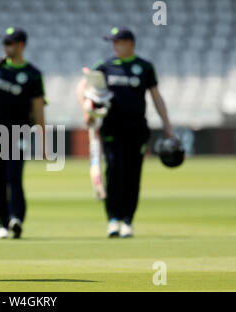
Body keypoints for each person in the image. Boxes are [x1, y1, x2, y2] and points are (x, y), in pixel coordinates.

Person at [76, 27, 175, 238]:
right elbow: (82, 87)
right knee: (113, 171)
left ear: (129, 43)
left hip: (137, 129)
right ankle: (113, 219)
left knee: (132, 175)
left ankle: (128, 220)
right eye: (112, 42)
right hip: (112, 128)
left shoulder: (145, 68)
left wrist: (167, 126)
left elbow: (157, 98)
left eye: (117, 42)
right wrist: (87, 109)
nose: (114, 46)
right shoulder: (105, 67)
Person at [0, 27, 46, 239]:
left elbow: (38, 110)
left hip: (20, 132)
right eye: (4, 43)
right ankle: (0, 223)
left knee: (14, 175)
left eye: (9, 43)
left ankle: (16, 218)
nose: (5, 47)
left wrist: (44, 140)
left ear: (21, 45)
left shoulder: (33, 75)